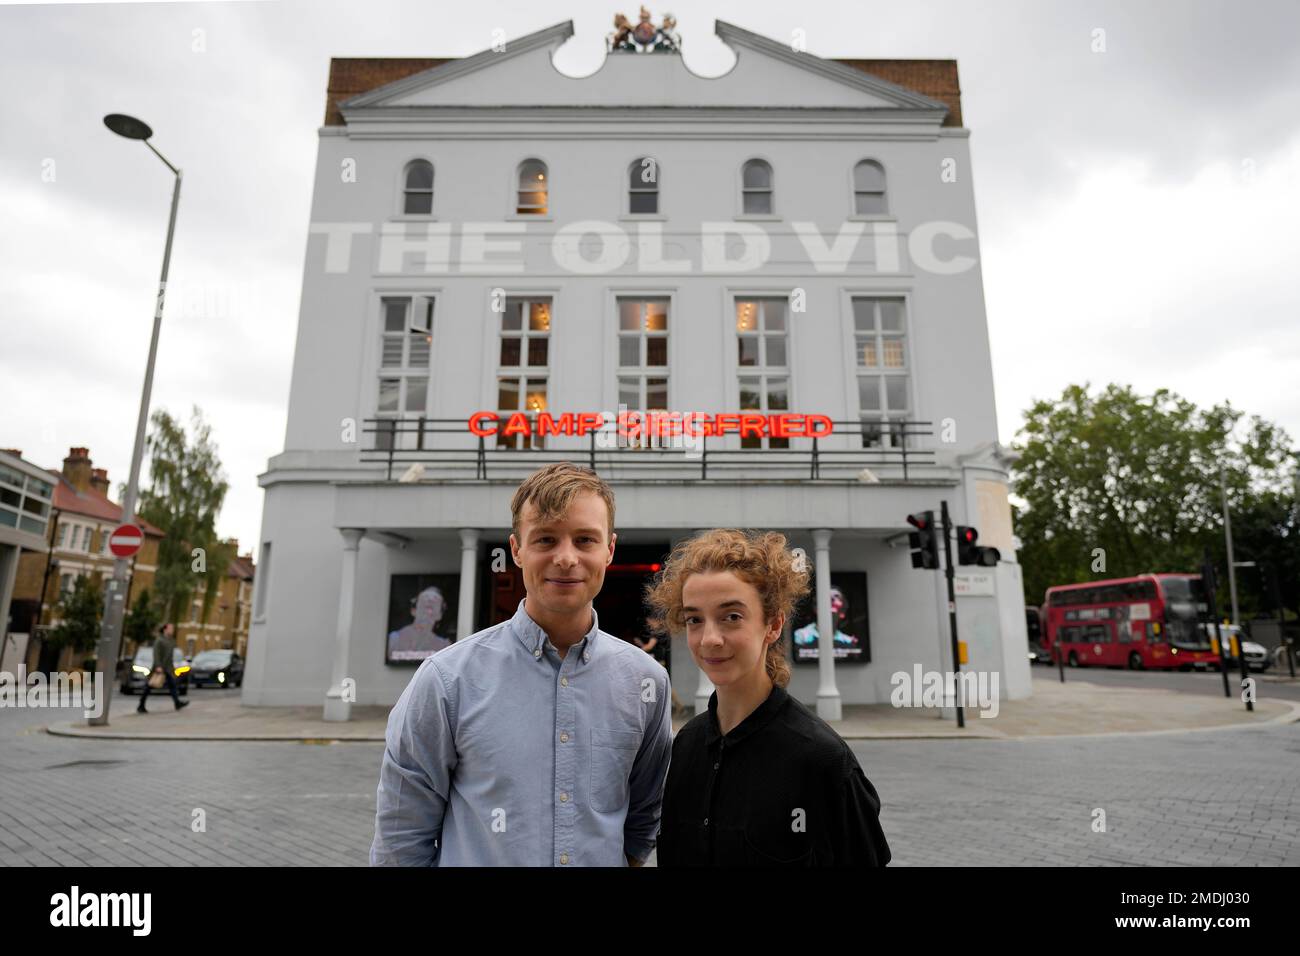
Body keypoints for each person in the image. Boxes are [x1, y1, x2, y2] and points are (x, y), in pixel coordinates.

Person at [370, 463, 672, 866]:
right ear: (516, 549)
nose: (566, 558)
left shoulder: (646, 682)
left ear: (609, 549)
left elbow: (643, 818)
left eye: (585, 540)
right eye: (545, 539)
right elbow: (401, 836)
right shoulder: (447, 680)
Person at [647, 529, 890, 866]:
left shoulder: (822, 759)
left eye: (731, 617)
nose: (709, 639)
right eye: (694, 620)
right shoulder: (686, 745)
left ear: (773, 625)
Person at [387, 586, 451, 661]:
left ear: (439, 615)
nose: (430, 600)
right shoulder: (394, 639)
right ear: (413, 610)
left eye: (435, 599)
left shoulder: (444, 647)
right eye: (425, 598)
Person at [138, 622, 189, 714]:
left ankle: (177, 703)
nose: (172, 630)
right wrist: (158, 666)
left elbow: (170, 656)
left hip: (168, 667)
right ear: (165, 629)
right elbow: (156, 654)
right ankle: (141, 704)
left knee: (172, 685)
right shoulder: (159, 640)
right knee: (150, 685)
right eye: (170, 628)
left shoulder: (171, 640)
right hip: (160, 667)